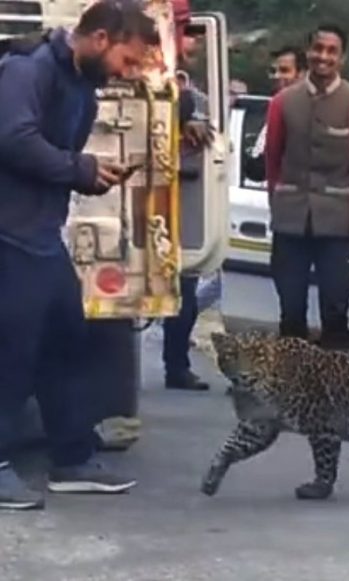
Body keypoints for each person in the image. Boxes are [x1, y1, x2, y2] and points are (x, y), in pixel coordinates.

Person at [0, 0, 159, 510]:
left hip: (42, 236)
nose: (128, 74)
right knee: (11, 355)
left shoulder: (82, 87)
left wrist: (92, 177)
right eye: (128, 61)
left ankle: (71, 457)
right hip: (7, 234)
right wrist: (78, 168)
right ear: (99, 39)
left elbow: (59, 160)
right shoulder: (28, 70)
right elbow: (13, 139)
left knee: (68, 339)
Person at [265, 24, 349, 349]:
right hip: (291, 220)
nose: (323, 57)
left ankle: (334, 389)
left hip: (337, 223)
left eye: (331, 51)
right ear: (308, 52)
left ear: (342, 58)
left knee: (336, 310)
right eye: (318, 49)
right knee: (291, 311)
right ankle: (291, 389)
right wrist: (279, 199)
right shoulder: (283, 102)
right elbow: (273, 156)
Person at [162, 11, 213, 392]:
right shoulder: (151, 85)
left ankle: (176, 365)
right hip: (148, 196)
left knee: (187, 290)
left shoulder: (197, 98)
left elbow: (212, 142)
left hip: (185, 198)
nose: (188, 43)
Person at [246, 46, 308, 185]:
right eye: (274, 71)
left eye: (284, 71)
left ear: (302, 74)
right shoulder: (276, 109)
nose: (277, 76)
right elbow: (257, 168)